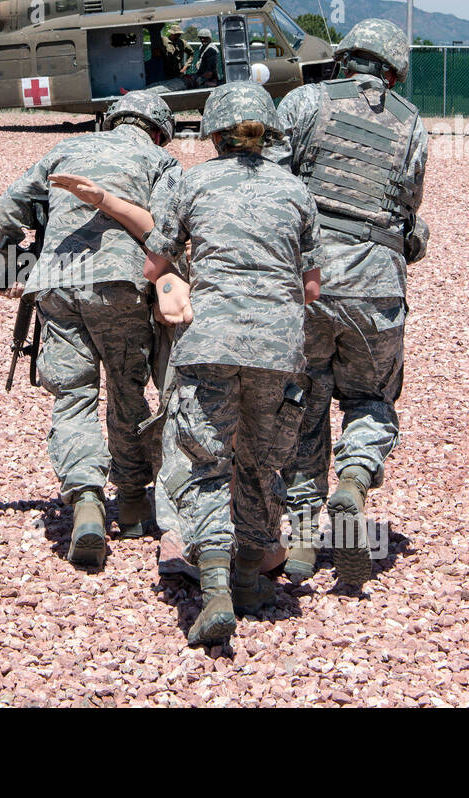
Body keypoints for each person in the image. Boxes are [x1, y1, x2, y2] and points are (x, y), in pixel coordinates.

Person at [142, 82, 322, 646]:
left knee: (206, 460)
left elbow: (156, 264)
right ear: (269, 133)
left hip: (209, 345)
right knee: (263, 464)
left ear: (214, 131)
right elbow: (312, 288)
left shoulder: (189, 183)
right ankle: (249, 579)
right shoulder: (296, 191)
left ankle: (215, 584)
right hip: (279, 350)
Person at [0, 91, 180, 569]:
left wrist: (10, 272)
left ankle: (87, 501)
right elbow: (169, 234)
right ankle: (132, 505)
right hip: (122, 286)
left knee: (73, 395)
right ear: (157, 131)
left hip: (57, 284)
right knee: (127, 390)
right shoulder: (162, 162)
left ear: (110, 122)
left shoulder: (64, 151)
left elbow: (1, 218)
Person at [271, 18, 429, 587]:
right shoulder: (412, 125)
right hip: (378, 285)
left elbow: (272, 187)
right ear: (392, 70)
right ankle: (353, 484)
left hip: (309, 281)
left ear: (346, 59)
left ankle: (305, 540)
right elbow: (407, 212)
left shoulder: (304, 103)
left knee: (303, 401)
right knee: (370, 399)